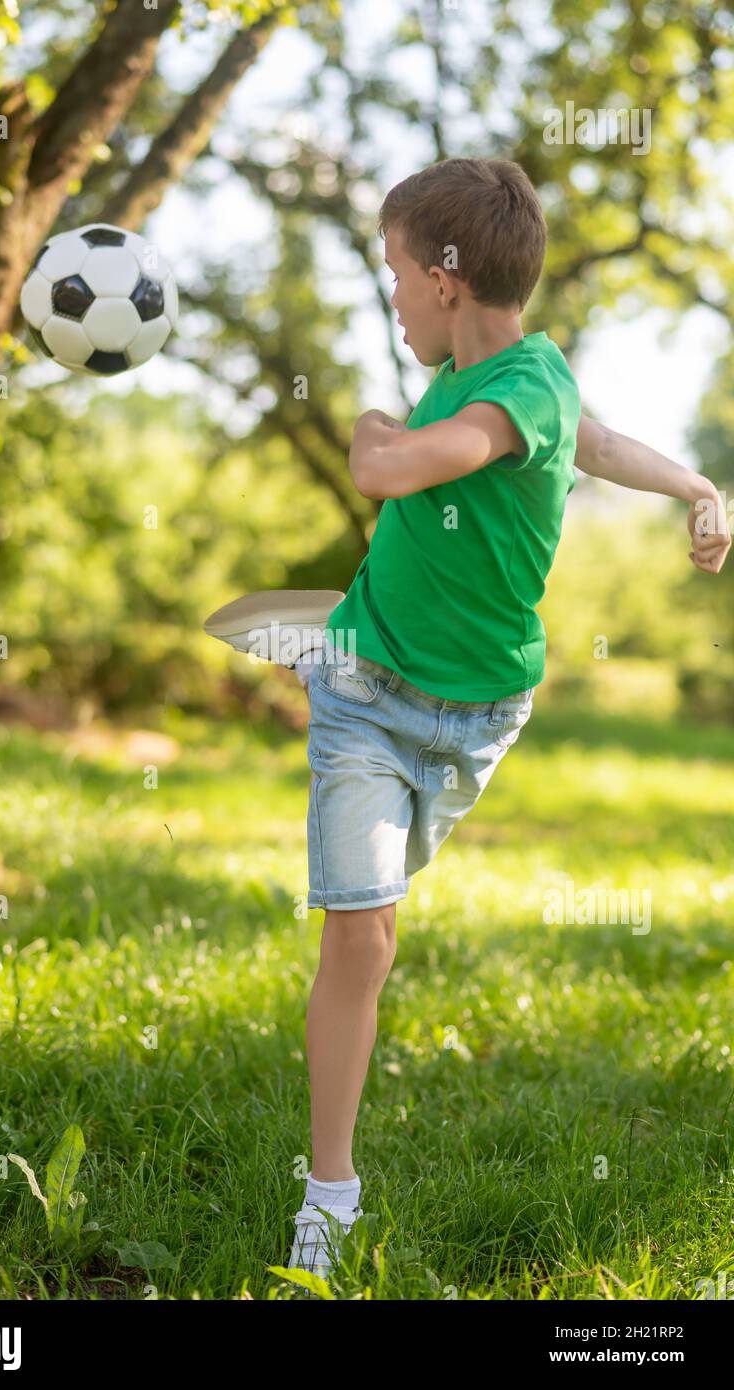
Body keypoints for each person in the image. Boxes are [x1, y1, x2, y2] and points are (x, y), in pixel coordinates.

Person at [204, 156, 731, 1282]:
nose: (390, 296)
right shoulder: (490, 386)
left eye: (394, 273)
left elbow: (405, 466)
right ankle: (329, 1195)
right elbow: (599, 444)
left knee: (377, 914)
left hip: (477, 717)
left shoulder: (511, 392)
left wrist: (367, 423)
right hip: (367, 698)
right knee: (364, 935)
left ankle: (336, 636)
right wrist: (692, 485)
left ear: (444, 280)